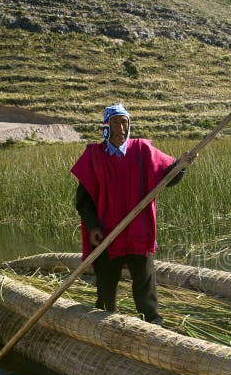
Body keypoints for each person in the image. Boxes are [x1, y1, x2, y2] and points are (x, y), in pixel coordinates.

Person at [71, 103, 196, 325]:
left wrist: (181, 166)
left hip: (139, 231)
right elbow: (83, 201)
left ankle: (153, 326)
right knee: (106, 287)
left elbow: (169, 177)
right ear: (106, 127)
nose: (121, 127)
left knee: (145, 285)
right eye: (116, 122)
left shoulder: (143, 150)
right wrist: (94, 228)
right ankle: (104, 324)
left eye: (125, 122)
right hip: (108, 235)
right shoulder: (94, 156)